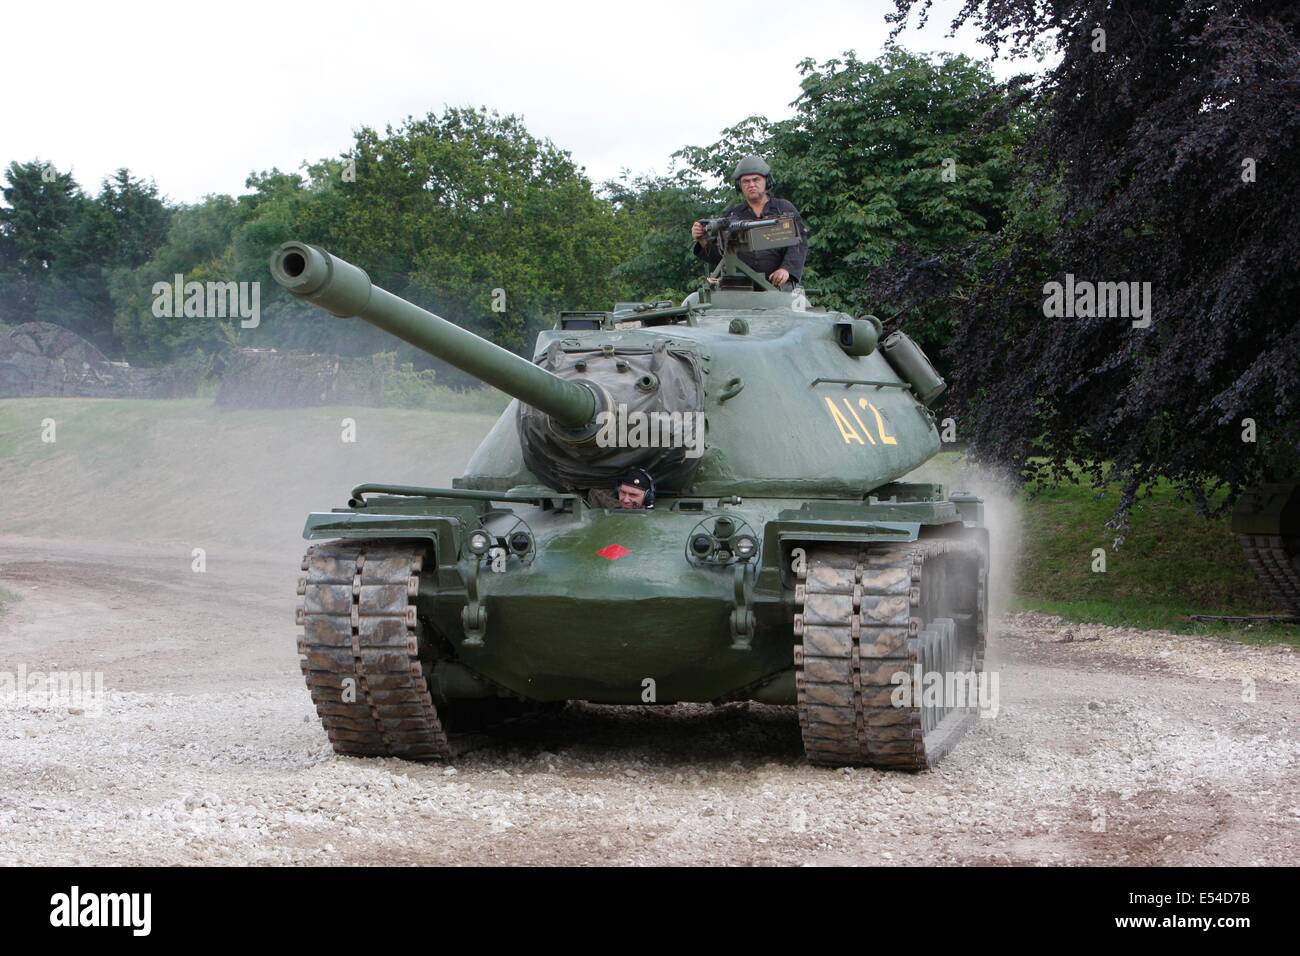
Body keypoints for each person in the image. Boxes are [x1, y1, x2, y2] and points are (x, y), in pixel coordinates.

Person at [691, 154, 807, 288]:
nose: (751, 185)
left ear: (767, 181)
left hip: (779, 286)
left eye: (756, 179)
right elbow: (722, 257)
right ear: (739, 185)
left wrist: (786, 269)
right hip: (743, 289)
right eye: (746, 181)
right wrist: (702, 240)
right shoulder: (732, 216)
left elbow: (799, 243)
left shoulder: (783, 208)